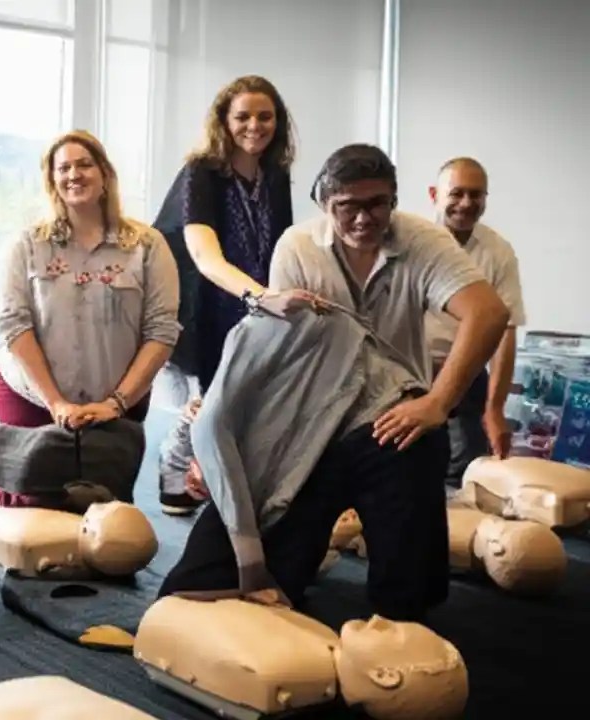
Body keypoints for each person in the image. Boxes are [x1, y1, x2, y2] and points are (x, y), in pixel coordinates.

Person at [158, 144, 510, 622]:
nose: (365, 218)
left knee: (417, 457)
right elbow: (277, 358)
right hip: (311, 417)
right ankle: (267, 575)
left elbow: (488, 313)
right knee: (232, 561)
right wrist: (226, 460)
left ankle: (402, 613)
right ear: (326, 204)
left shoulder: (424, 241)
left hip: (387, 414)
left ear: (394, 200)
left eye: (377, 203)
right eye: (349, 206)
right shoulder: (298, 248)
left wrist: (437, 403)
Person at [150, 75, 321, 515]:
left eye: (265, 117)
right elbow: (204, 258)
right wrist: (259, 297)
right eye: (242, 116)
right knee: (209, 398)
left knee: (245, 397)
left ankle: (222, 482)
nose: (254, 126)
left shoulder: (275, 174)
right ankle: (174, 464)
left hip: (255, 297)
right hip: (204, 299)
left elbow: (281, 245)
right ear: (224, 121)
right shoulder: (201, 173)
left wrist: (284, 295)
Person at [0, 129, 182, 432]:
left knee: (104, 480)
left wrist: (116, 403)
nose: (74, 175)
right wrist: (56, 403)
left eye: (84, 165)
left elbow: (162, 329)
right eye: (63, 168)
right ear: (52, 180)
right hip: (32, 400)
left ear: (105, 173)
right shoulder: (28, 243)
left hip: (118, 404)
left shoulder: (148, 245)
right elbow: (12, 323)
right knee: (33, 480)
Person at [426, 157, 526, 483]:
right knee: (410, 466)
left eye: (476, 194)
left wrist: (495, 409)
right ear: (434, 195)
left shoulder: (498, 251)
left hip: (467, 369)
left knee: (469, 469)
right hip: (411, 369)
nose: (466, 203)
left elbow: (505, 330)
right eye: (456, 194)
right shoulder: (411, 241)